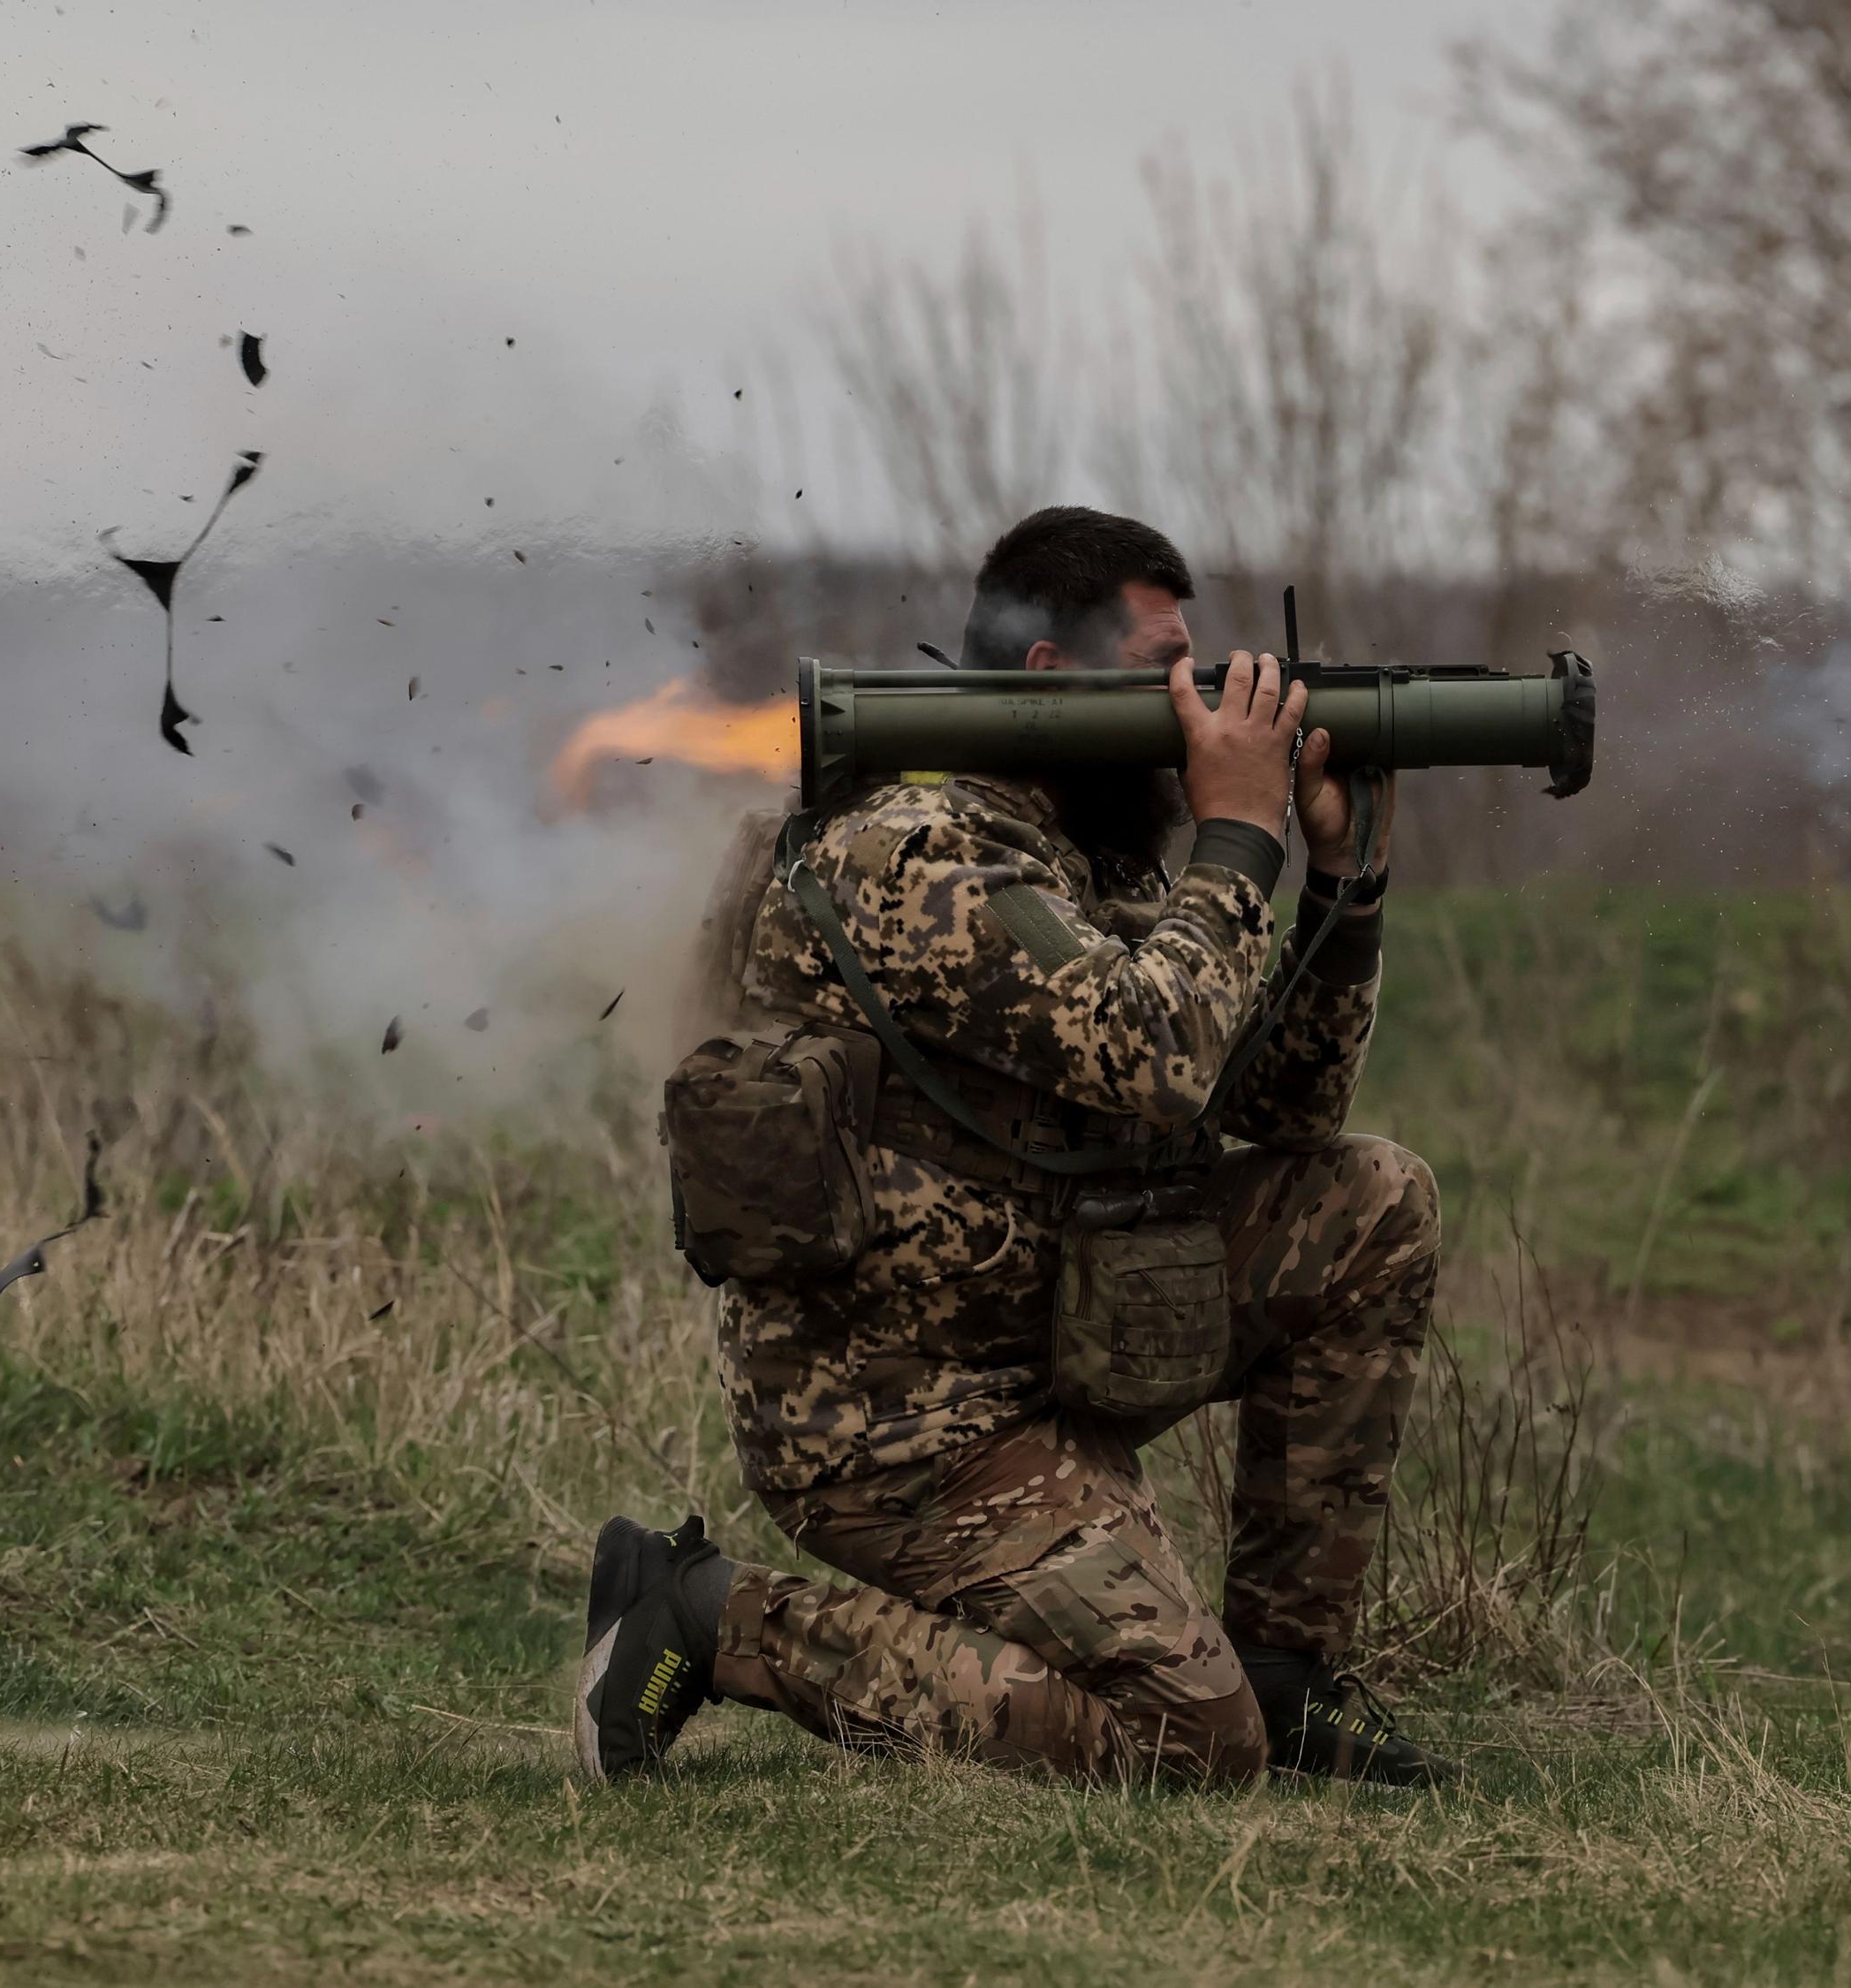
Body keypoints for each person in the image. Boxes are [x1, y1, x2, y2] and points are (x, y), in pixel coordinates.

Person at [578, 505, 1448, 1787]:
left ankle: (1286, 1673)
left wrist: (1341, 883)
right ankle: (712, 1617)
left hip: (1051, 1338)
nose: (1198, 702)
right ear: (1052, 673)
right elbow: (1152, 1051)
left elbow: (1283, 1111)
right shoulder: (919, 854)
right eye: (1165, 670)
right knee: (1185, 1744)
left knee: (1368, 1199)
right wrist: (1239, 836)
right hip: (898, 1419)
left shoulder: (1086, 851)